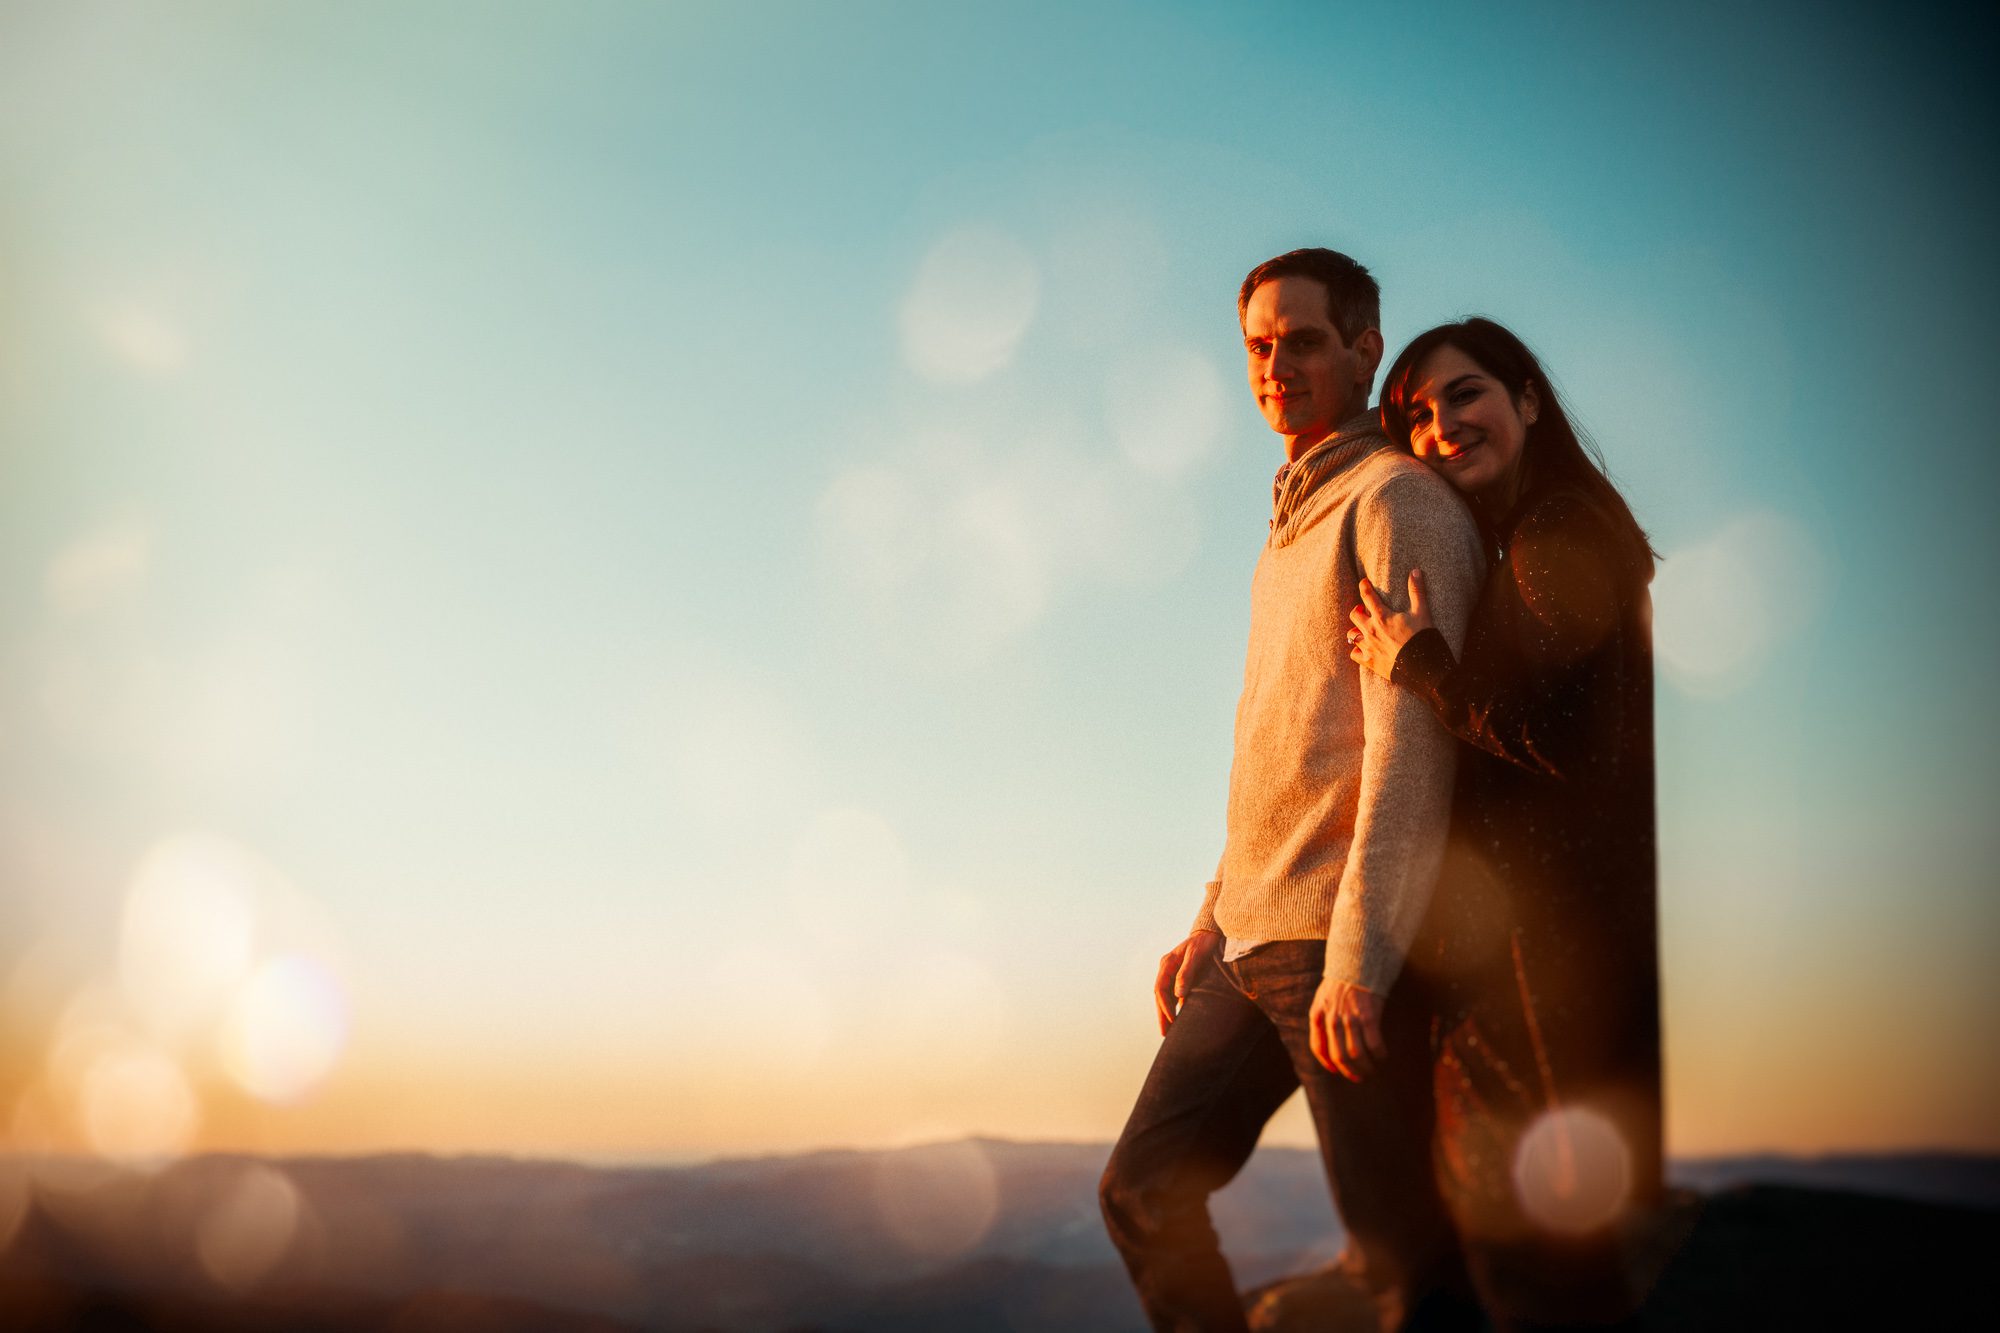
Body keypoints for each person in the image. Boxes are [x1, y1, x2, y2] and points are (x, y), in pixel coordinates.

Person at [1099, 249, 1489, 1333]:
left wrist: (1363, 960)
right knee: (1138, 1188)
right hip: (1247, 939)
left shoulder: (1395, 503)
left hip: (1336, 948)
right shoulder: (1288, 528)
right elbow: (1280, 751)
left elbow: (1412, 749)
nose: (1275, 366)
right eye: (1257, 348)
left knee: (1406, 1273)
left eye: (1302, 340)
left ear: (1364, 348)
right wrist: (1205, 917)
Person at [1347, 317, 1663, 1329]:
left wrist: (1420, 664)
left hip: (1535, 977)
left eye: (1465, 394)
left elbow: (1567, 746)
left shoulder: (1554, 532)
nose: (1441, 426)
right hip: (1551, 963)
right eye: (1415, 416)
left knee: (1530, 1265)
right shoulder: (1549, 529)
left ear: (1528, 399)